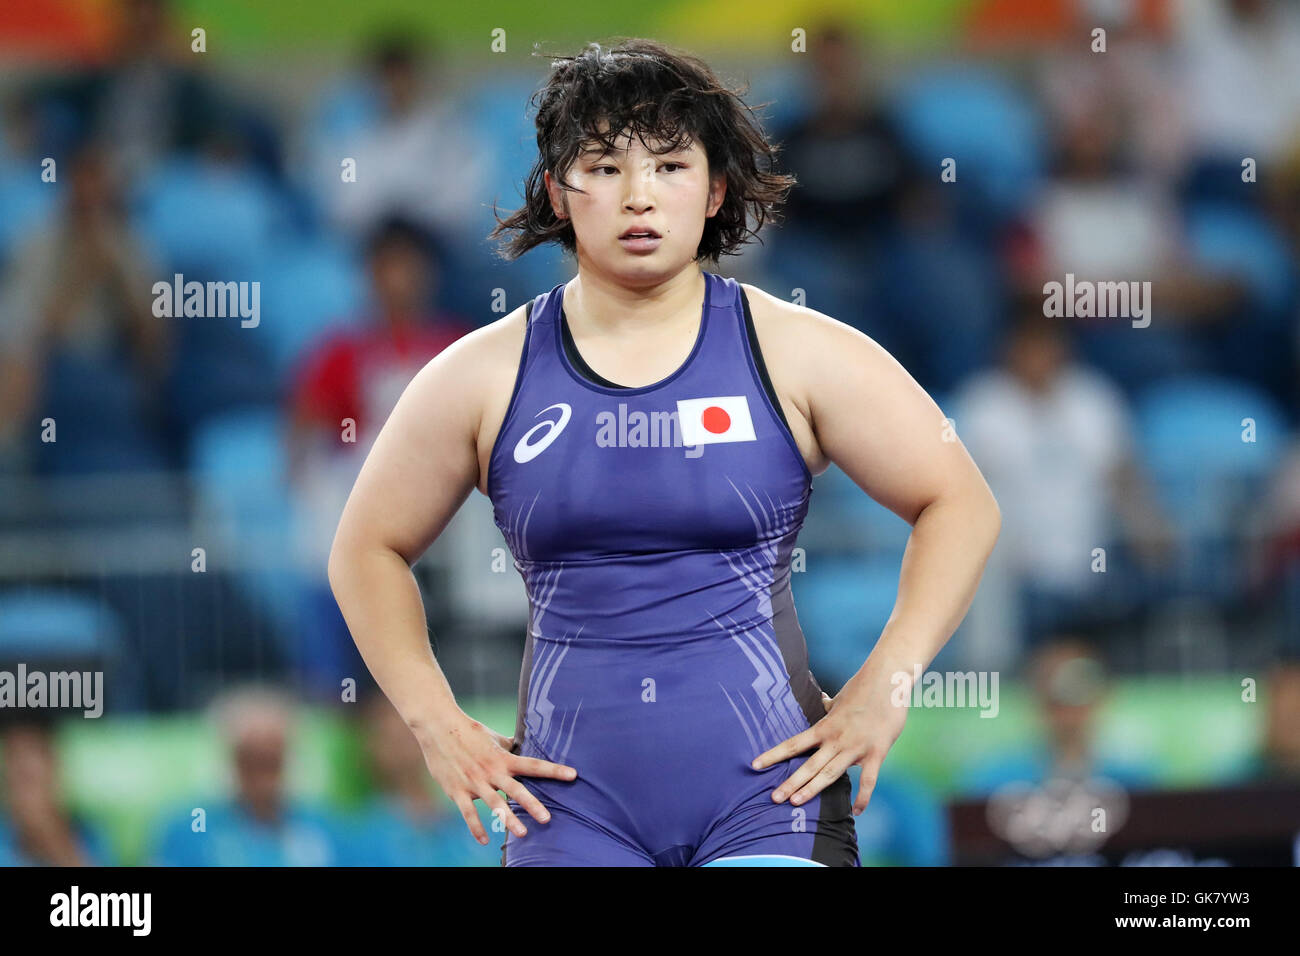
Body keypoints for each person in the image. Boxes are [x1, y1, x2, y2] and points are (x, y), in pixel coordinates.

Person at [328, 38, 1001, 867]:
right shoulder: (485, 374)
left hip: (770, 799)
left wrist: (887, 682)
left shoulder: (794, 351)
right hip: (570, 814)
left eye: (671, 167)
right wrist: (435, 722)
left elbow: (961, 502)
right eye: (606, 168)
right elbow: (366, 548)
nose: (639, 196)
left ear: (715, 190)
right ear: (556, 192)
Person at [151, 685, 342, 866]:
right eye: (250, 761)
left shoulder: (322, 828)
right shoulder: (188, 829)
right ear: (228, 760)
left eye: (271, 762)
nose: (261, 778)